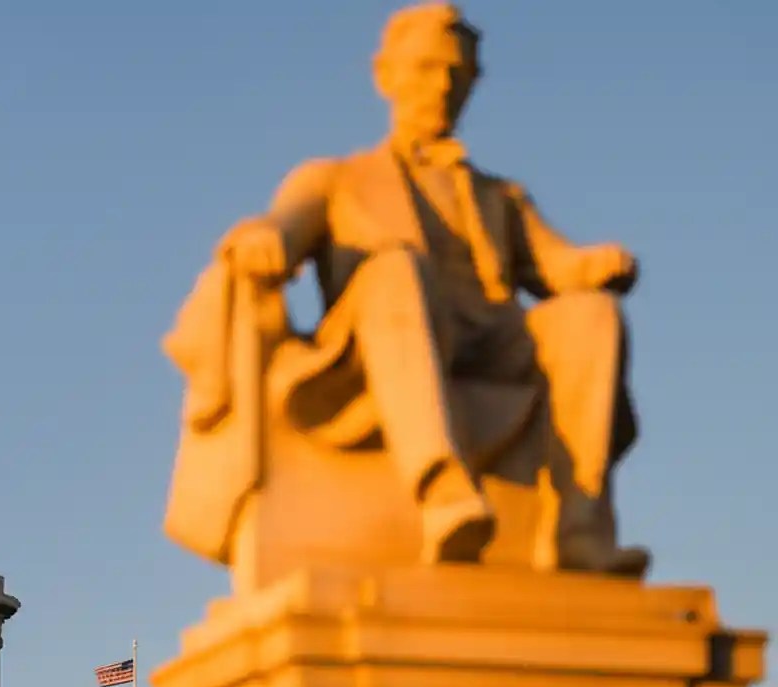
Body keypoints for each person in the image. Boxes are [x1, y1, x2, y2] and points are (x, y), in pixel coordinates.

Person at [204, 2, 647, 574]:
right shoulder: (335, 179)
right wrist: (262, 239)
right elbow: (282, 227)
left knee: (590, 316)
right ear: (384, 74)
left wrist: (595, 266)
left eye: (456, 74)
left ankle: (580, 528)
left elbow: (557, 265)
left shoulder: (501, 196)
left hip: (492, 342)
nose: (441, 85)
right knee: (394, 269)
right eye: (426, 68)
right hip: (375, 353)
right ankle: (442, 491)